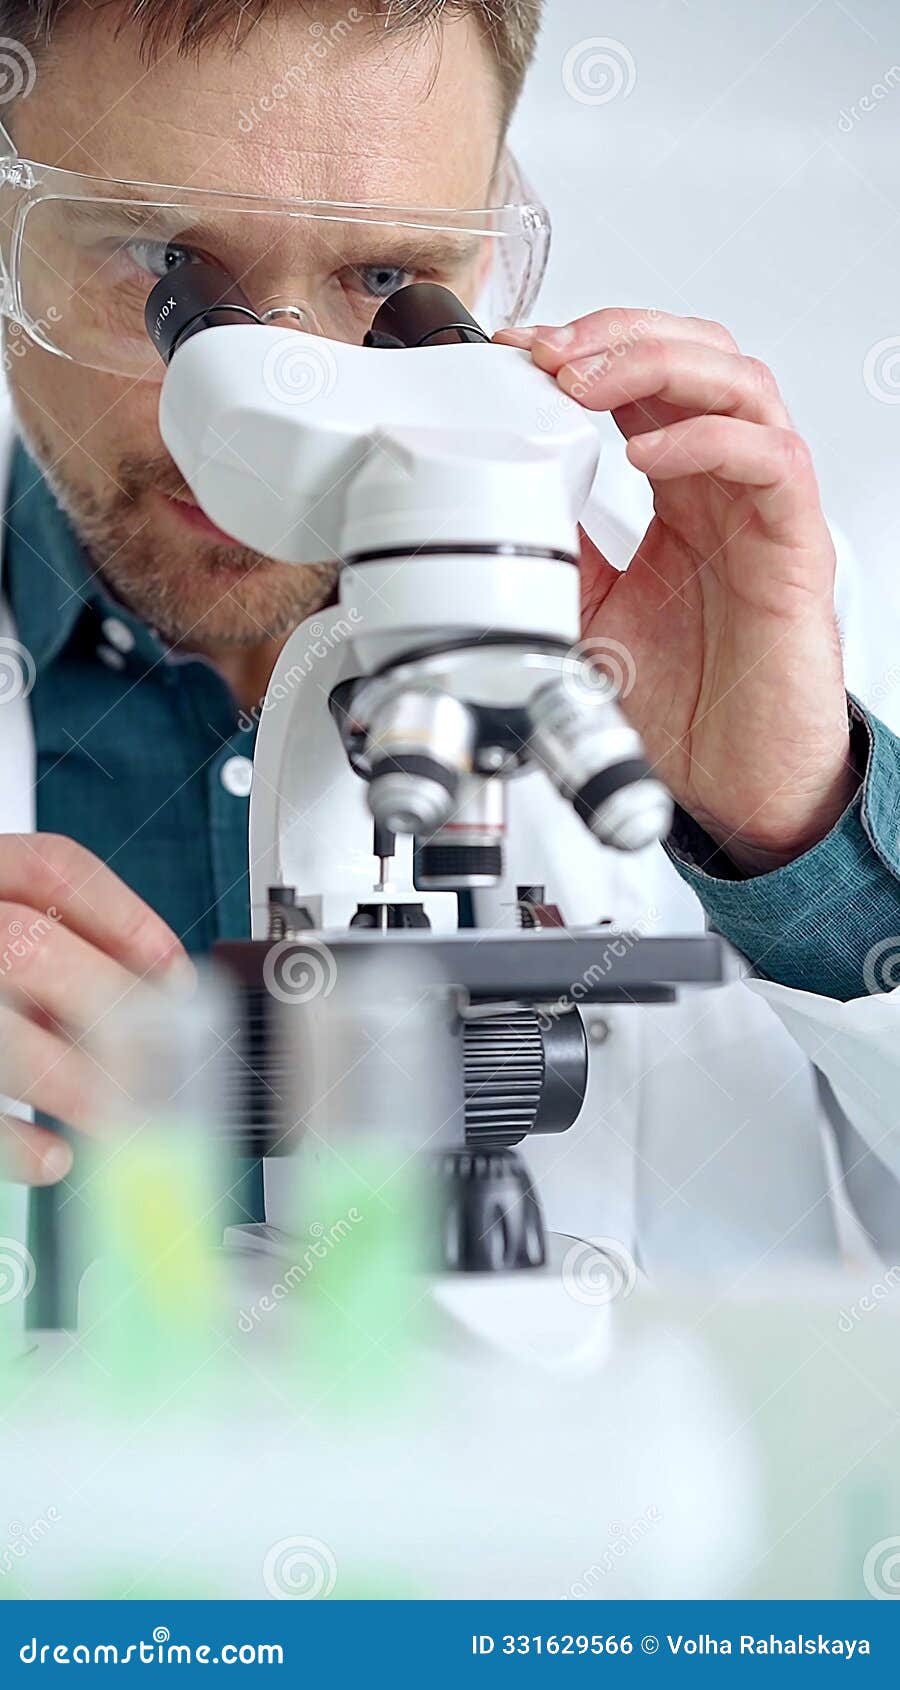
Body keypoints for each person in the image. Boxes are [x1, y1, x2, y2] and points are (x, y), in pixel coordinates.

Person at [0, 0, 896, 1321]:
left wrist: (803, 839)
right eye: (166, 263)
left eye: (382, 281)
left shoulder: (731, 610)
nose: (279, 390)